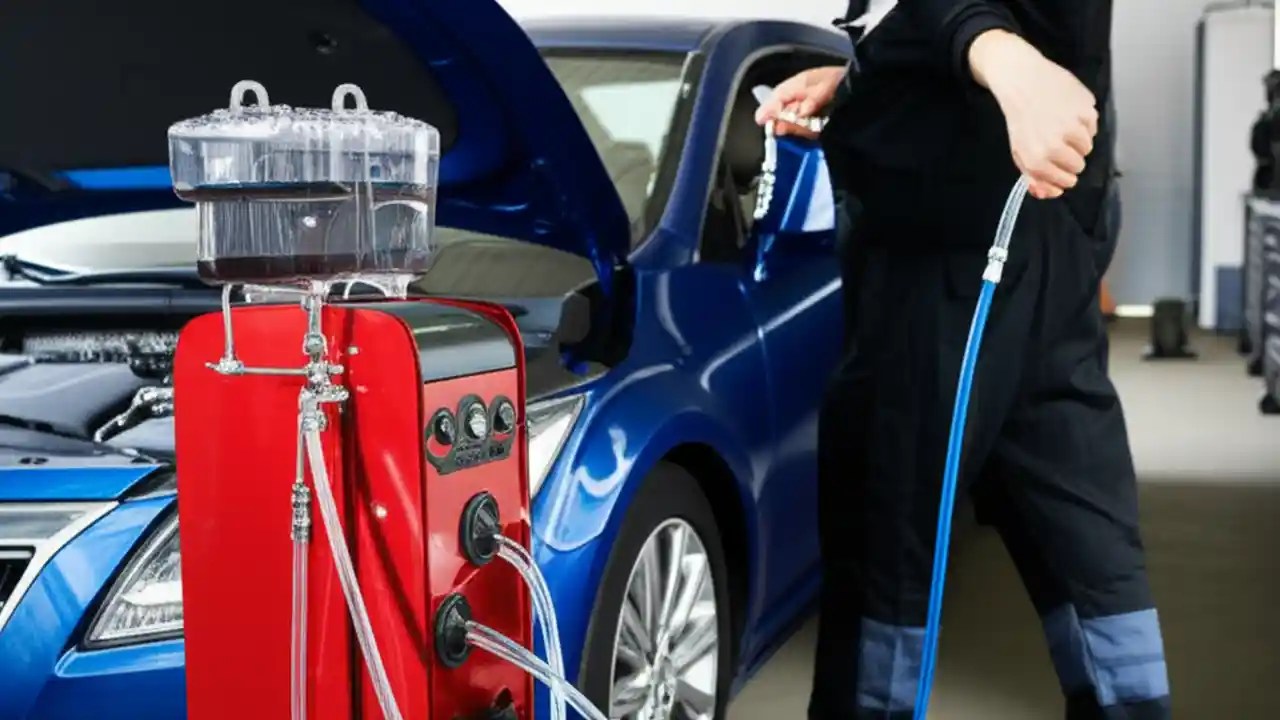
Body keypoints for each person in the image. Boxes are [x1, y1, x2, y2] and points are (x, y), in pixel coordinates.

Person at [755, 2, 1171, 719]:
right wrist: (863, 76)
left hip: (944, 263)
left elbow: (971, 20)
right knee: (1088, 554)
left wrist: (1000, 56)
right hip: (1035, 248)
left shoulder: (988, 46)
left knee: (888, 557)